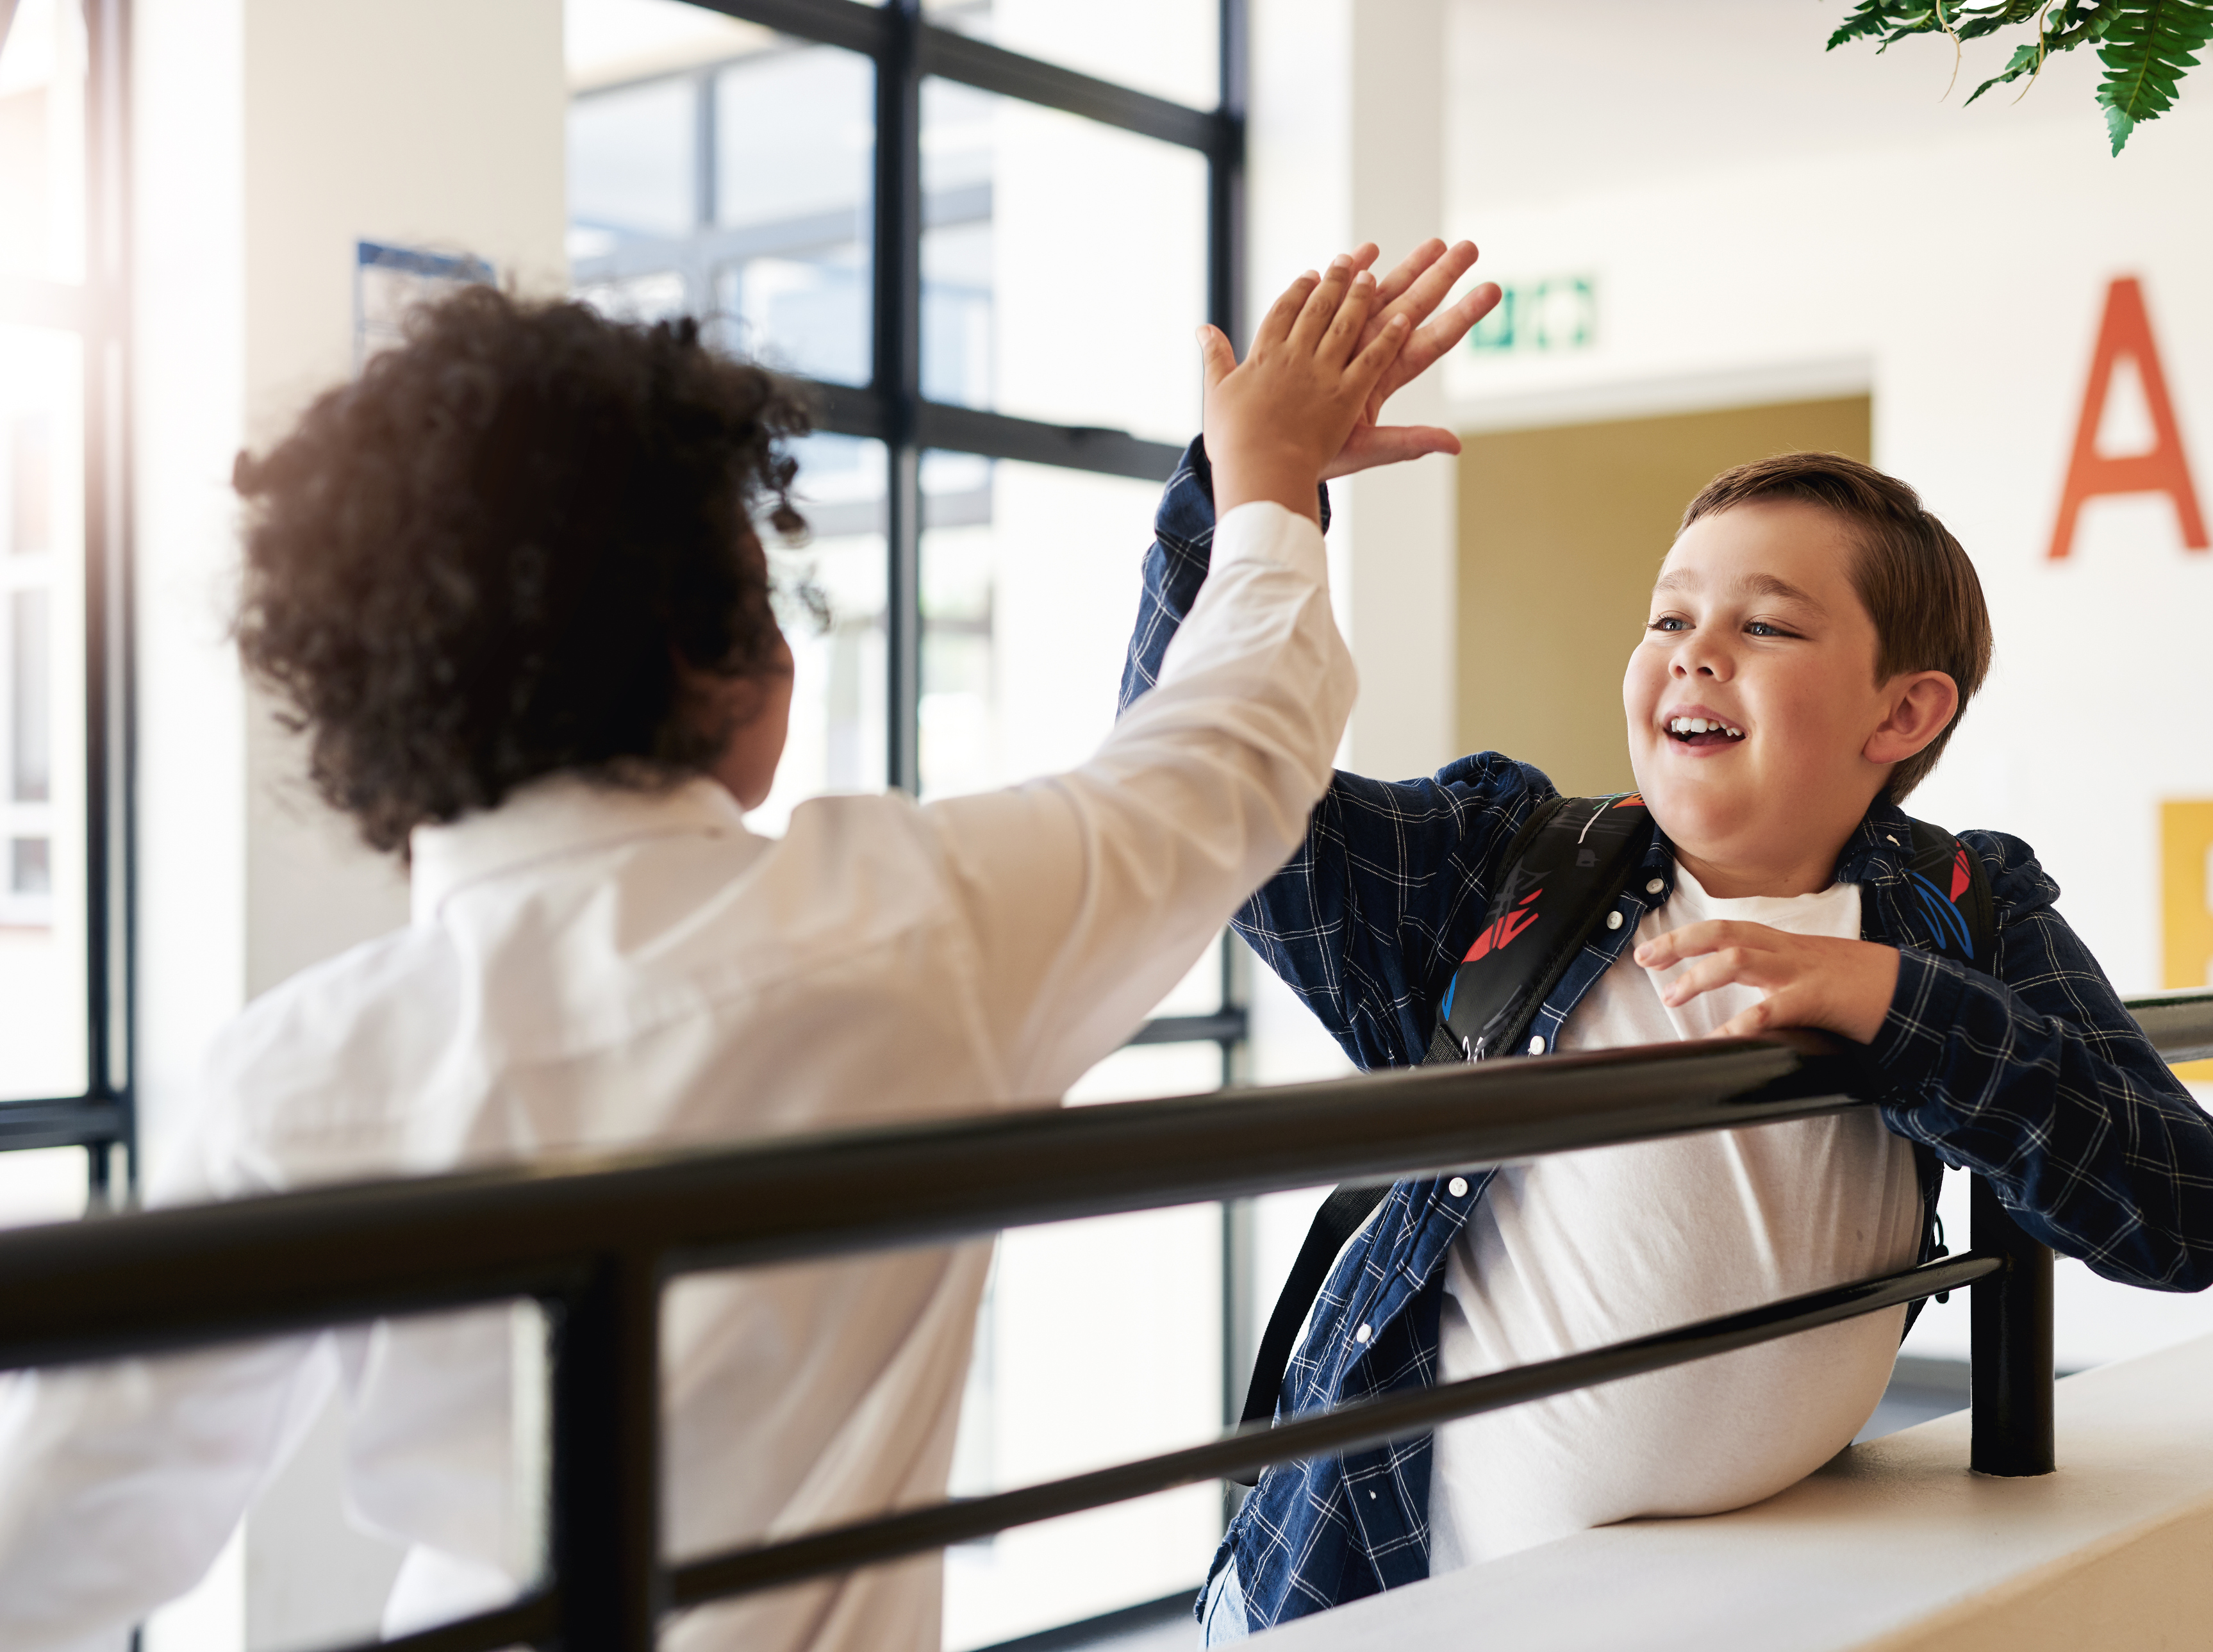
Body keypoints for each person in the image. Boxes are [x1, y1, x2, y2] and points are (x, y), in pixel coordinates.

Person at [0, 240, 1501, 1652]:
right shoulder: (918, 924)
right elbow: (1226, 757)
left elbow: (56, 1536)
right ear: (716, 661)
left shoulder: (300, 1073)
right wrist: (1267, 489)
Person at [1116, 449, 2213, 1639]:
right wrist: (1252, 493)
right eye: (1669, 614)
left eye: (1765, 623)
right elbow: (1202, 794)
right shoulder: (1504, 869)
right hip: (1375, 1591)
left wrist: (1890, 1002)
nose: (1697, 650)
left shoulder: (1967, 910)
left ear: (1902, 711)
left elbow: (2181, 1213)